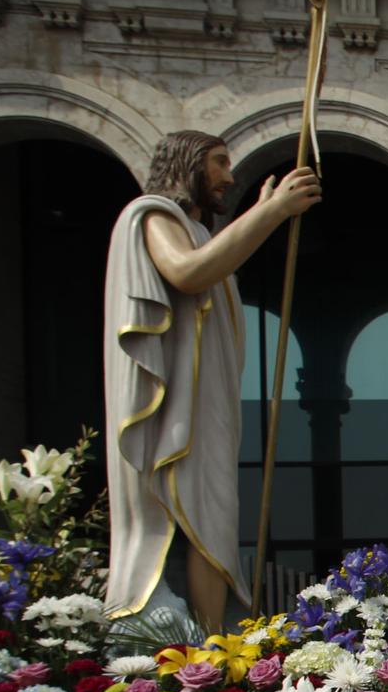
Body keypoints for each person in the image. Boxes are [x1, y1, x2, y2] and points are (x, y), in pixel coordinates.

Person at [104, 131, 321, 630]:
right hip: (172, 399)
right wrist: (271, 214)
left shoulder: (200, 231)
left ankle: (213, 637)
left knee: (215, 518)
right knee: (195, 510)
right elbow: (186, 272)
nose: (229, 175)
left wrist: (264, 216)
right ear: (187, 165)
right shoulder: (154, 214)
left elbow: (206, 262)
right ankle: (194, 635)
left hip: (206, 398)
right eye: (219, 163)